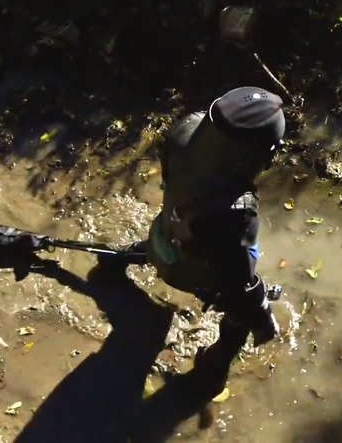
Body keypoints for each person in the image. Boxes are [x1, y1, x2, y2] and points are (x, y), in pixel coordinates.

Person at [106, 86, 284, 394]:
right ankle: (213, 367)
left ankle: (112, 262)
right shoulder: (234, 214)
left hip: (162, 236)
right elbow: (238, 284)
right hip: (187, 270)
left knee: (176, 232)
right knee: (241, 315)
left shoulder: (186, 131)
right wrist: (263, 316)